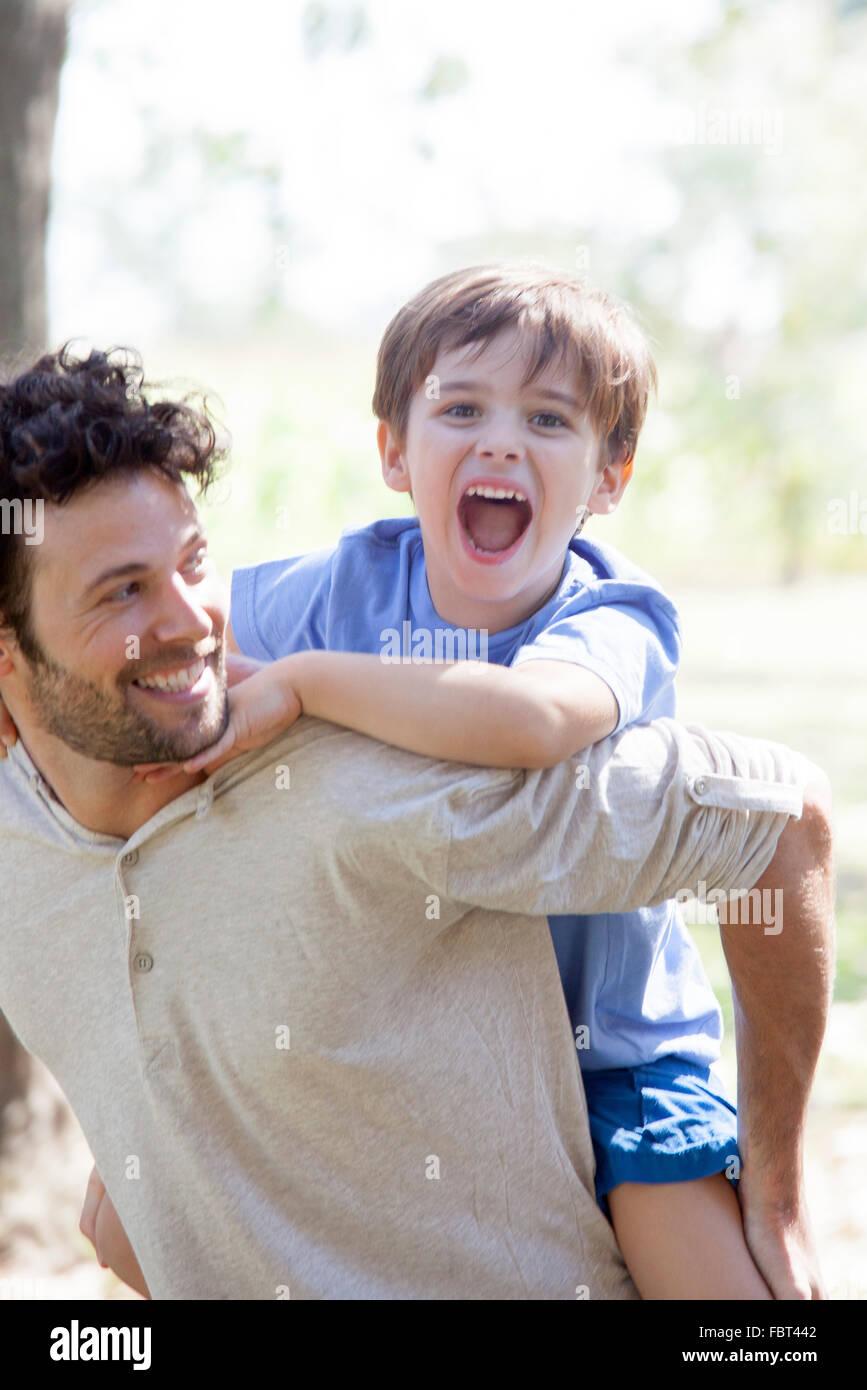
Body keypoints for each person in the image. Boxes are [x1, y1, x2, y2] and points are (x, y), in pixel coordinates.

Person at [0, 347, 832, 1300]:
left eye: (194, 563)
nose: (193, 623)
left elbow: (779, 822)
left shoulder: (389, 787)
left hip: (631, 1077)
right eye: (121, 591)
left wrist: (777, 1195)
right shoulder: (25, 832)